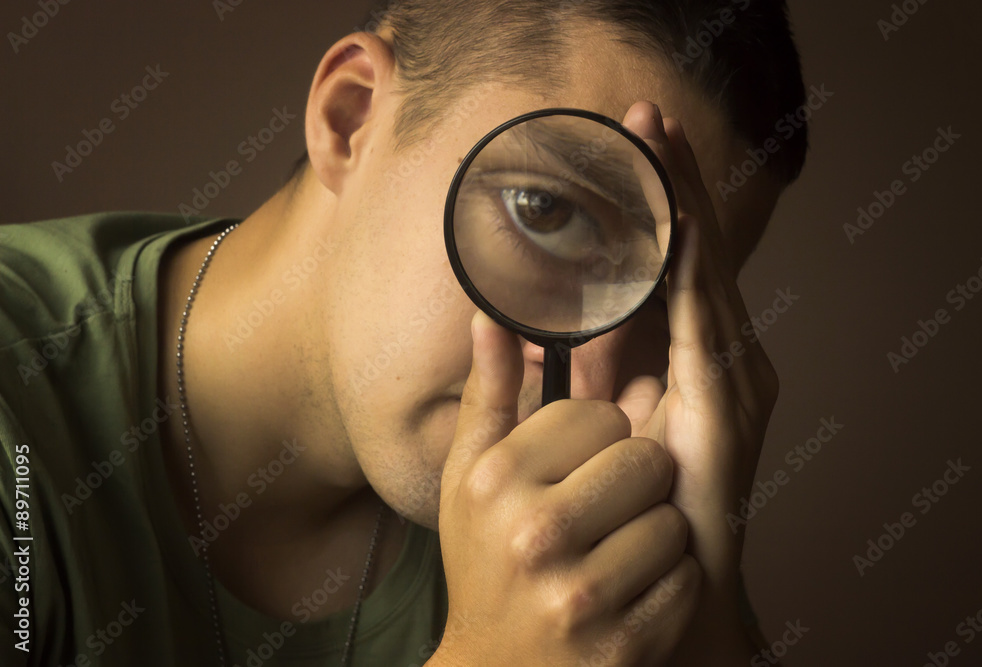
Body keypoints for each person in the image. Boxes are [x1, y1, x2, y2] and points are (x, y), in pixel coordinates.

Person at [0, 0, 810, 664]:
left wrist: (701, 629)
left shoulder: (595, 501)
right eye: (547, 211)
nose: (592, 377)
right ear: (349, 116)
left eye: (661, 302)